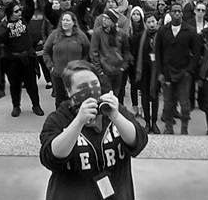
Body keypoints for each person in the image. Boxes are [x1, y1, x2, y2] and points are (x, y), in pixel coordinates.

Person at [39, 60, 148, 200]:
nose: (91, 90)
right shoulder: (58, 119)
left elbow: (138, 141)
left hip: (116, 192)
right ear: (69, 91)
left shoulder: (113, 109)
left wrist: (116, 115)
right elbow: (51, 157)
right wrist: (78, 122)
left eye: (94, 84)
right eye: (83, 87)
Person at [153, 1, 199, 135]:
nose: (177, 13)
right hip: (167, 73)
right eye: (174, 11)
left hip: (184, 73)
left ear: (182, 13)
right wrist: (160, 72)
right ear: (170, 13)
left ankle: (184, 128)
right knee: (168, 103)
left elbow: (196, 54)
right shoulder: (162, 30)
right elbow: (157, 52)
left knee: (185, 104)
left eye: (179, 11)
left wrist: (189, 71)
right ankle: (168, 127)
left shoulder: (190, 31)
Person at [0, 0, 45, 118]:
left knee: (32, 84)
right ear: (10, 13)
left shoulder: (23, 20)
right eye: (16, 11)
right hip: (13, 60)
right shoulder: (4, 25)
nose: (19, 13)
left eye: (20, 10)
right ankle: (16, 106)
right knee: (15, 85)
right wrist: (7, 29)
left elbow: (30, 6)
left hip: (27, 58)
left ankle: (36, 105)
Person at [43, 11, 91, 105]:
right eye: (63, 20)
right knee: (60, 101)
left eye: (68, 20)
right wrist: (51, 67)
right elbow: (46, 52)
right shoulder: (54, 35)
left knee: (76, 101)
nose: (65, 22)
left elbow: (87, 52)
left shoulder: (81, 36)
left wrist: (82, 66)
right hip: (58, 75)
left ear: (73, 22)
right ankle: (61, 119)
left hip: (75, 75)